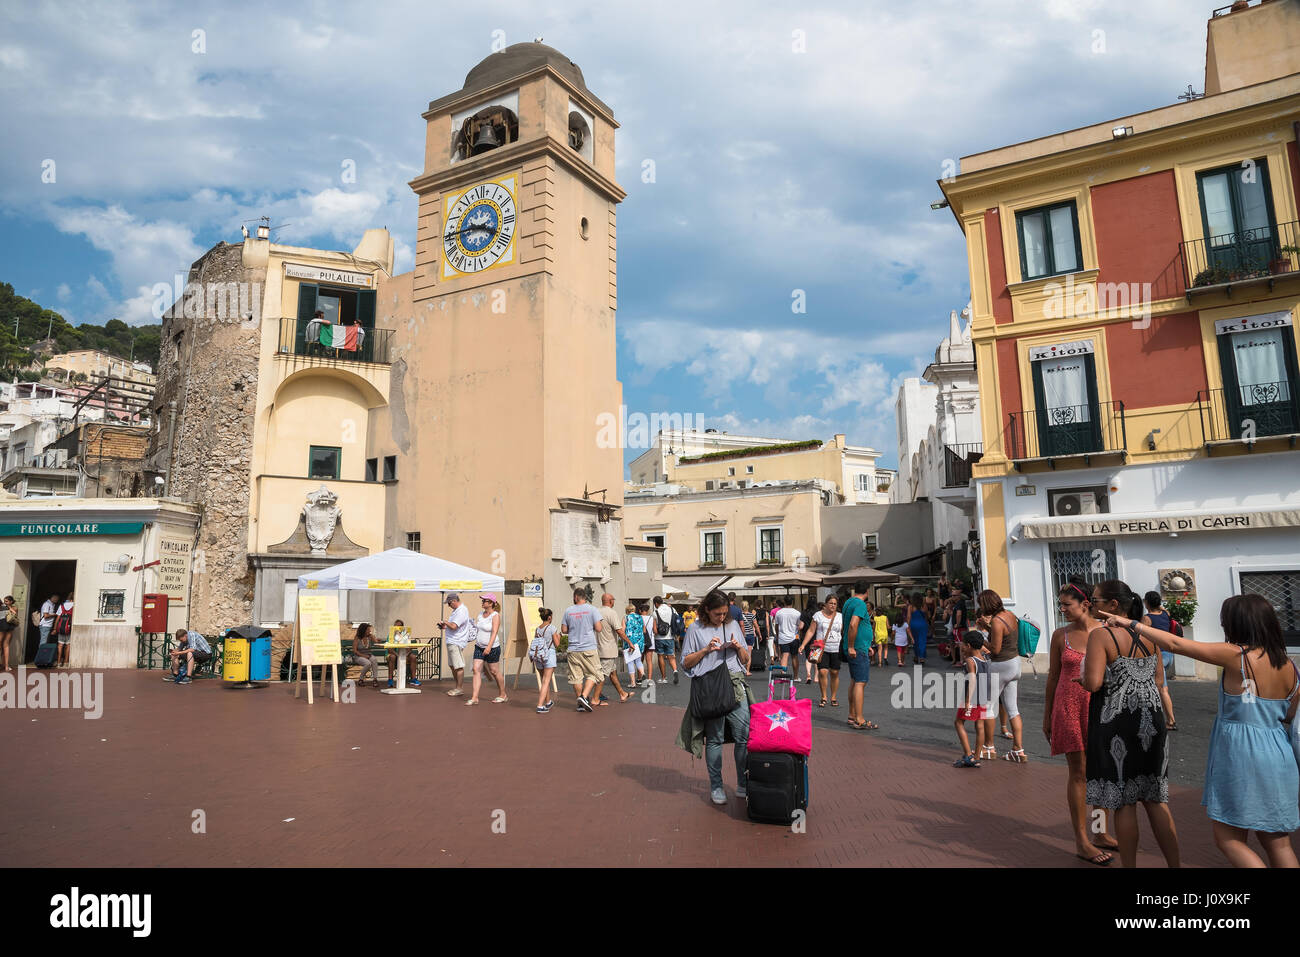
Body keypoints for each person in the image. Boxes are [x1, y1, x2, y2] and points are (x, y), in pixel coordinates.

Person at [1097, 593, 1298, 868]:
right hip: (1279, 752)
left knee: (1229, 838)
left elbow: (1175, 643)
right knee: (1278, 840)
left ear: (1239, 624)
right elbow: (1289, 714)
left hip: (1243, 754)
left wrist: (1129, 623)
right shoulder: (1288, 666)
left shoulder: (1237, 655)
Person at [1080, 579, 1179, 869]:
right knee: (1155, 797)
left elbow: (1094, 682)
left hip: (1117, 721)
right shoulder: (1148, 634)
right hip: (1152, 718)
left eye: (1095, 601)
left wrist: (1085, 680)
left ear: (1113, 605)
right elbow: (1159, 679)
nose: (1091, 605)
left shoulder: (1102, 635)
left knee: (1124, 801)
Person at [1044, 579, 1118, 866]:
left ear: (1086, 603)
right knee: (1079, 773)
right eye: (1060, 604)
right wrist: (1047, 713)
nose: (1062, 609)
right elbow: (1052, 676)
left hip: (1100, 706)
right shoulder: (1059, 635)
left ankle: (1099, 832)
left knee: (1102, 772)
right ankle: (1081, 840)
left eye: (1066, 605)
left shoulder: (1107, 632)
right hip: (1069, 706)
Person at [678, 589, 752, 805]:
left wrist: (739, 648)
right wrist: (706, 650)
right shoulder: (695, 629)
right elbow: (686, 662)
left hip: (735, 683)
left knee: (743, 735)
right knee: (715, 738)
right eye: (717, 614)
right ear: (707, 610)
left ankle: (743, 783)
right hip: (711, 686)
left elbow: (746, 658)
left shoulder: (731, 625)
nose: (721, 617)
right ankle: (717, 786)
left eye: (724, 613)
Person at [977, 589, 1026, 762]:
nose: (980, 608)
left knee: (988, 707)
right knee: (1013, 708)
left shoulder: (997, 621)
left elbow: (995, 649)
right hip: (1014, 664)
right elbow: (1003, 636)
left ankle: (989, 747)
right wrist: (986, 627)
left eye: (981, 604)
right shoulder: (1010, 615)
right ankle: (1018, 749)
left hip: (1000, 665)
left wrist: (981, 637)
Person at [952, 631, 991, 768]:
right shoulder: (984, 659)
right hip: (983, 697)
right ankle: (976, 756)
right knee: (979, 726)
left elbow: (972, 679)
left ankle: (968, 755)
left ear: (968, 645)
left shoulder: (970, 661)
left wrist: (968, 701)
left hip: (972, 698)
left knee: (958, 723)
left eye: (963, 644)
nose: (961, 645)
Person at [561, 589, 604, 712]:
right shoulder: (592, 609)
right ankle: (584, 697)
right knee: (594, 674)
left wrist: (575, 628)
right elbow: (599, 628)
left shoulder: (568, 611)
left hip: (573, 648)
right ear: (585, 597)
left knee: (576, 677)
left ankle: (580, 705)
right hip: (588, 647)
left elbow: (564, 630)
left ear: (575, 597)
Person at [842, 581, 877, 730]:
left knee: (854, 680)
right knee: (860, 682)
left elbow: (851, 625)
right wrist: (852, 646)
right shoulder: (861, 604)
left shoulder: (848, 602)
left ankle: (852, 715)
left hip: (856, 646)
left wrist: (865, 644)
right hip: (856, 648)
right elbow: (853, 624)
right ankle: (859, 719)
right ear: (867, 591)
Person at [1142, 591, 1179, 731]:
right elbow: (1164, 610)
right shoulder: (1166, 614)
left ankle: (1171, 721)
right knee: (1159, 688)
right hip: (1169, 655)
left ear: (1147, 603)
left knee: (1162, 690)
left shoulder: (1147, 619)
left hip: (1158, 657)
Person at [800, 595, 843, 708]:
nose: (833, 605)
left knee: (834, 673)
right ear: (825, 604)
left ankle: (833, 697)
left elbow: (844, 631)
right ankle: (824, 696)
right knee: (823, 672)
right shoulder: (818, 615)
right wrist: (803, 644)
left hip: (836, 648)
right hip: (822, 649)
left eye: (835, 604)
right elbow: (810, 631)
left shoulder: (840, 616)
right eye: (830, 603)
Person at [466, 594, 507, 705]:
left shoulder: (495, 615)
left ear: (491, 603)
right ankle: (475, 698)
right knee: (476, 669)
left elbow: (494, 632)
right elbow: (475, 627)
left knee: (494, 671)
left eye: (485, 601)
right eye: (482, 600)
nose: (482, 602)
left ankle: (503, 694)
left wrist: (489, 647)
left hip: (492, 647)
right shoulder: (480, 614)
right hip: (479, 646)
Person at [598, 594, 632, 704]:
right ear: (611, 601)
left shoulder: (597, 611)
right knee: (602, 675)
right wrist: (629, 642)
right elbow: (619, 630)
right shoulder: (612, 613)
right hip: (608, 650)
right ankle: (595, 697)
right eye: (614, 600)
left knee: (613, 673)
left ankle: (622, 694)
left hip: (599, 648)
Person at [438, 593, 472, 696]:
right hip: (452, 640)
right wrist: (444, 626)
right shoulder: (456, 611)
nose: (448, 605)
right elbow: (453, 626)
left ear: (453, 601)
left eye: (449, 603)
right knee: (453, 665)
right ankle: (457, 686)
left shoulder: (461, 611)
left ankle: (459, 688)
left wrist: (445, 622)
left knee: (458, 666)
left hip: (456, 641)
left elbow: (454, 626)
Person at [529, 607, 560, 713]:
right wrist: (559, 636)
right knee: (546, 681)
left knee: (544, 681)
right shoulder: (552, 628)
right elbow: (557, 644)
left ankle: (548, 702)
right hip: (549, 655)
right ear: (550, 617)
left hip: (539, 656)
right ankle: (539, 705)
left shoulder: (537, 629)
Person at [385, 619, 420, 689]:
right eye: (396, 626)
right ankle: (390, 679)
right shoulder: (391, 635)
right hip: (392, 654)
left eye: (399, 626)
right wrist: (398, 656)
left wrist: (406, 655)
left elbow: (409, 648)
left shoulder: (405, 635)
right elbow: (389, 649)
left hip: (403, 654)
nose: (398, 627)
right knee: (392, 657)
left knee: (413, 657)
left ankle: (413, 679)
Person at [652, 596, 679, 684]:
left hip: (659, 638)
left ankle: (664, 678)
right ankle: (675, 670)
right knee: (671, 656)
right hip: (670, 636)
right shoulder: (672, 609)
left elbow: (655, 630)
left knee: (661, 656)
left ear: (656, 603)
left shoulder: (655, 612)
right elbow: (677, 620)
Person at [774, 597, 802, 672]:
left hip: (783, 637)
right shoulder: (797, 613)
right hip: (794, 637)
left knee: (785, 656)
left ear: (784, 602)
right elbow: (799, 626)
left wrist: (777, 635)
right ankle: (796, 677)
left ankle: (783, 674)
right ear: (792, 602)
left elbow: (776, 626)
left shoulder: (779, 613)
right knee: (794, 656)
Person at [351, 622, 381, 689]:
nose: (369, 631)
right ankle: (361, 679)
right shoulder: (357, 638)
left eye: (369, 629)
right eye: (368, 630)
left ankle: (375, 679)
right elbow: (355, 651)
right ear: (363, 630)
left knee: (374, 660)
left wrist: (374, 638)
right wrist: (363, 656)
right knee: (367, 663)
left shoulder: (370, 637)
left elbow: (376, 641)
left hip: (368, 654)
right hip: (358, 656)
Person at [51, 592, 74, 666]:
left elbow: (58, 618)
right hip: (69, 628)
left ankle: (58, 662)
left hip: (61, 628)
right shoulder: (74, 606)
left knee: (60, 645)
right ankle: (66, 662)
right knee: (68, 645)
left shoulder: (62, 605)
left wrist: (55, 628)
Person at [799, 596, 819, 683]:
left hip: (806, 637)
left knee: (808, 657)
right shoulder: (818, 613)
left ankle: (808, 675)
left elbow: (801, 626)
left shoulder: (804, 613)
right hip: (817, 637)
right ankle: (816, 677)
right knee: (815, 657)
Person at [908, 592, 929, 665]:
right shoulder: (924, 606)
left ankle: (916, 656)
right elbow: (927, 616)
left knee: (915, 641)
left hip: (914, 624)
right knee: (922, 641)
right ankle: (922, 657)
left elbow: (908, 617)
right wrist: (926, 624)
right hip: (922, 624)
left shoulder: (911, 606)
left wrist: (908, 626)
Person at [740, 600, 757, 676]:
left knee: (741, 653)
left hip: (742, 635)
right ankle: (747, 670)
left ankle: (741, 669)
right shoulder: (751, 615)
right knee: (749, 653)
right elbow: (756, 625)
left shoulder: (739, 615)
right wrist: (759, 634)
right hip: (750, 635)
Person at [0, 595, 16, 670]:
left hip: (9, 626)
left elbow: (14, 613)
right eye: (4, 601)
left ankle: (6, 666)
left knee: (6, 645)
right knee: (1, 644)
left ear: (11, 602)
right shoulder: (2, 606)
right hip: (3, 625)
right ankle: (4, 665)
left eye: (6, 601)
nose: (5, 602)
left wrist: (9, 607)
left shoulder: (14, 607)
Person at [872, 602, 890, 666]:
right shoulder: (885, 617)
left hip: (878, 635)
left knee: (880, 649)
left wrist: (873, 636)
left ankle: (880, 662)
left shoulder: (875, 618)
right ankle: (885, 657)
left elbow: (873, 628)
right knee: (886, 647)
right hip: (885, 634)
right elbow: (888, 626)